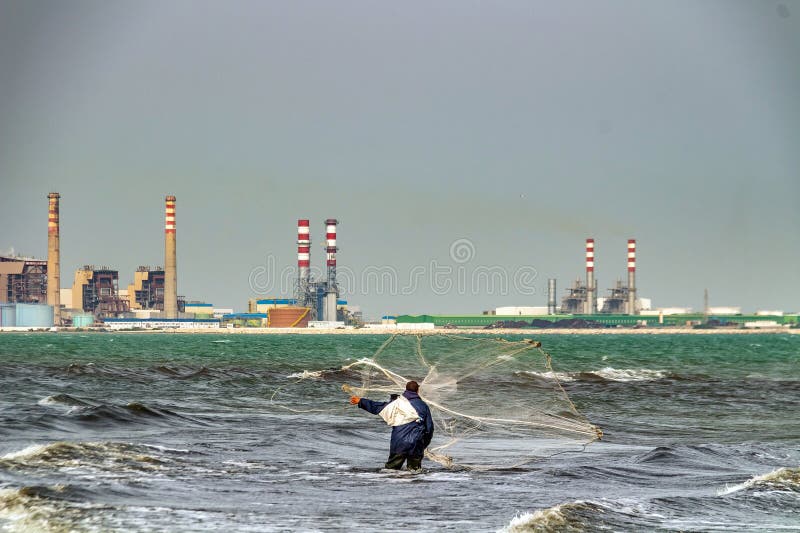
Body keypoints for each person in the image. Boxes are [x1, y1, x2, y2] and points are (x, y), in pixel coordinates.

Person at [350, 380, 434, 470]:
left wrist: (361, 401)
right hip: (416, 443)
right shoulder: (423, 406)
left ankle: (390, 483)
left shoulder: (395, 403)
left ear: (406, 390)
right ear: (417, 391)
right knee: (415, 472)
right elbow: (429, 428)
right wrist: (423, 444)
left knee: (391, 471)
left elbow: (377, 407)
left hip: (399, 443)